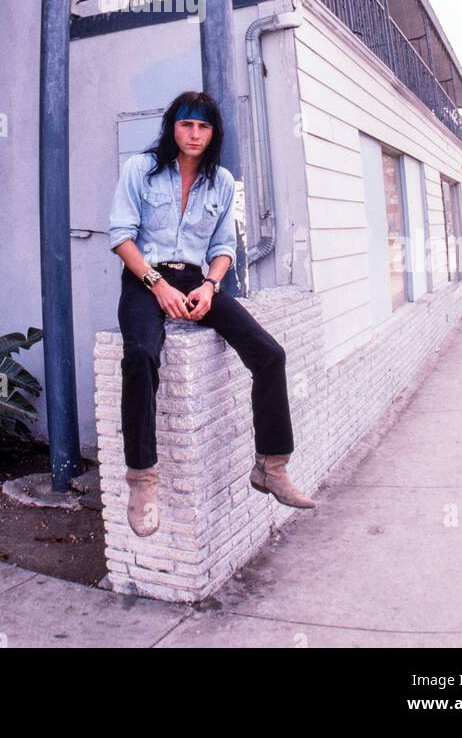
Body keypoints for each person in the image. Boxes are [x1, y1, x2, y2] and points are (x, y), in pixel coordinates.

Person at [108, 89, 317, 537]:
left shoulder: (221, 181)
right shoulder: (140, 170)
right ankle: (142, 478)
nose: (194, 133)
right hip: (145, 281)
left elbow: (223, 247)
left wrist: (210, 285)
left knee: (269, 354)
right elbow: (121, 237)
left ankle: (271, 466)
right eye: (186, 124)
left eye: (203, 126)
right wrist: (155, 285)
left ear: (213, 133)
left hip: (197, 282)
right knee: (141, 355)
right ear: (172, 127)